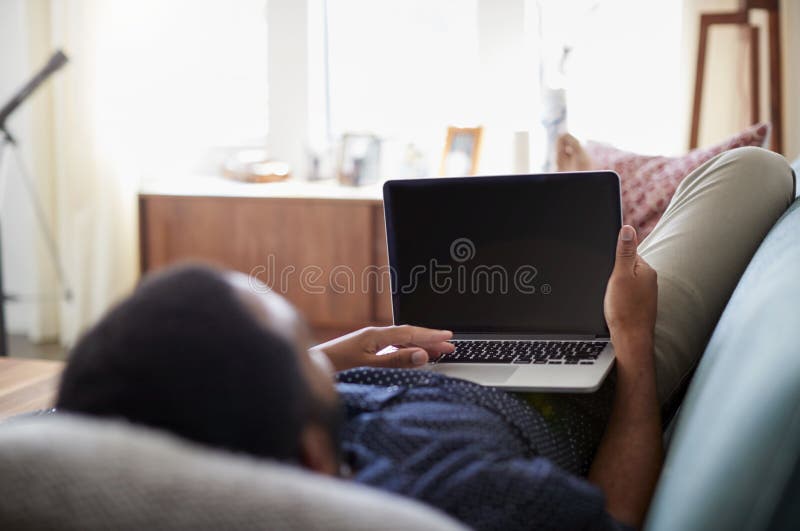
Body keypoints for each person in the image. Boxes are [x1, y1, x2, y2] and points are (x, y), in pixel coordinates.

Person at [56, 143, 795, 531]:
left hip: (427, 360)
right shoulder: (454, 489)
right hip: (581, 390)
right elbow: (615, 515)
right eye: (297, 347)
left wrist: (348, 349)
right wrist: (630, 346)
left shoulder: (218, 433)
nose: (321, 349)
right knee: (751, 171)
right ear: (316, 457)